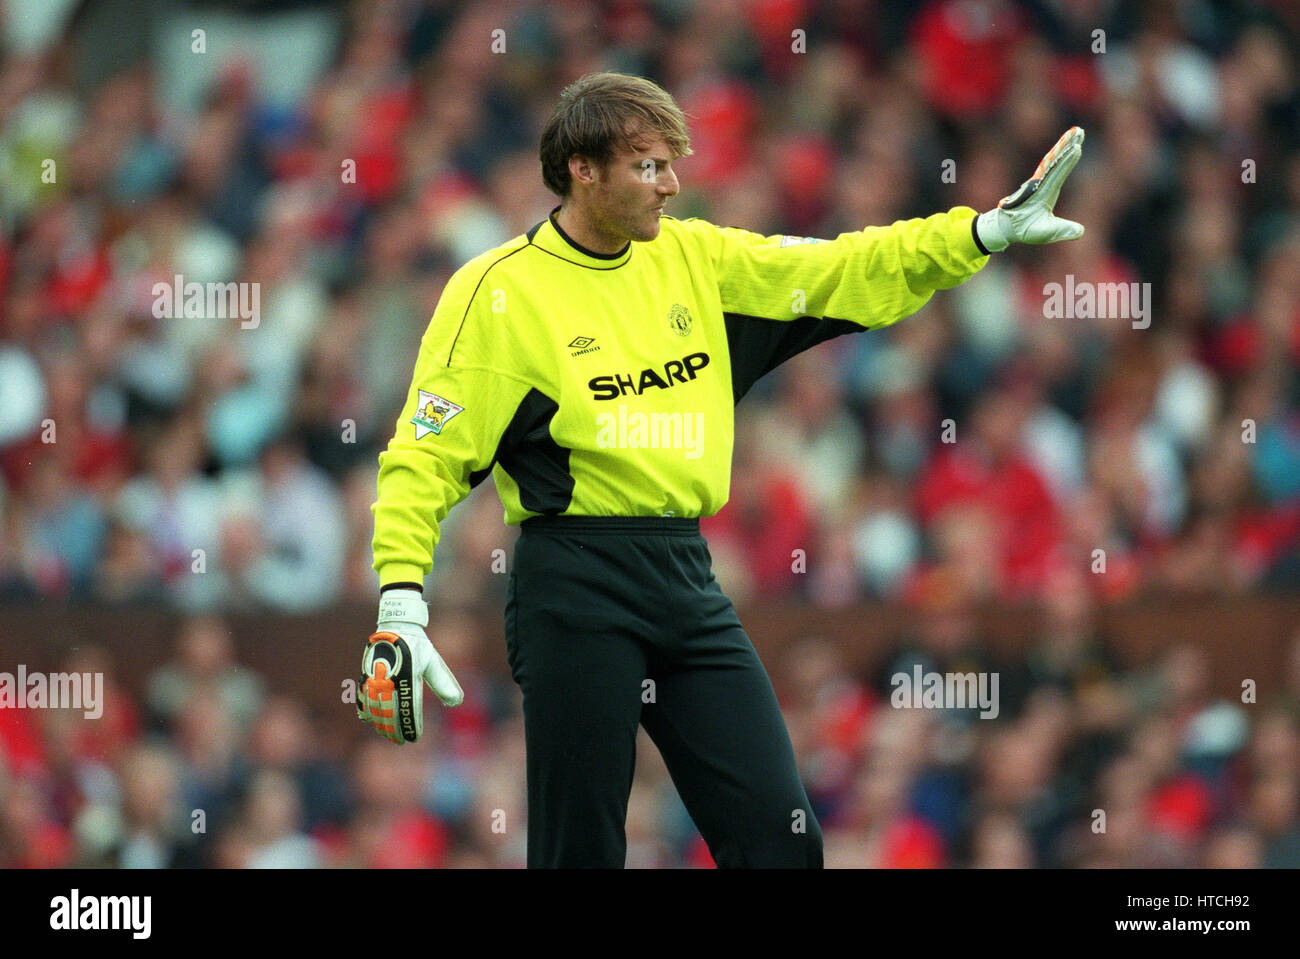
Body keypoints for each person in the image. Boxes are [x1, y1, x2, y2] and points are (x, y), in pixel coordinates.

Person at [356, 72, 1085, 868]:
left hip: (684, 574)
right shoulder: (498, 294)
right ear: (582, 170)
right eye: (647, 165)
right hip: (571, 582)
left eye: (673, 162)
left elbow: (847, 266)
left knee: (782, 840)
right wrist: (401, 600)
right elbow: (422, 457)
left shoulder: (700, 259)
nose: (672, 183)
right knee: (579, 852)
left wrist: (979, 234)